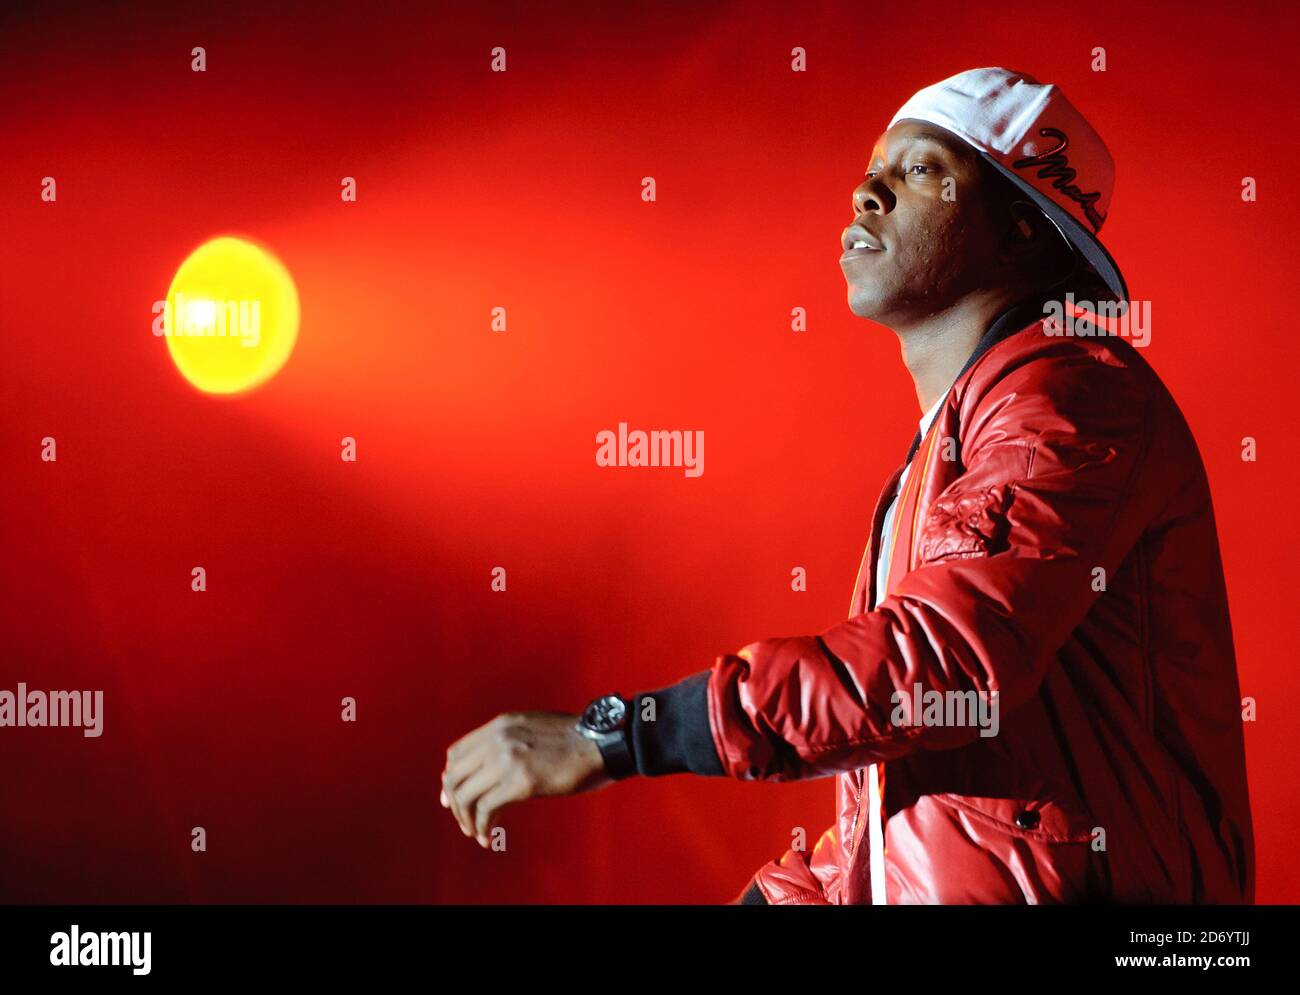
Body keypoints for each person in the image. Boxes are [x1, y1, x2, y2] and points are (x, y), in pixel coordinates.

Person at [439, 68, 1255, 904]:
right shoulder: (953, 438)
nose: (868, 190)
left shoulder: (1068, 392)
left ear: (1021, 230)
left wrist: (623, 734)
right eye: (874, 167)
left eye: (923, 169)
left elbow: (944, 665)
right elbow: (914, 804)